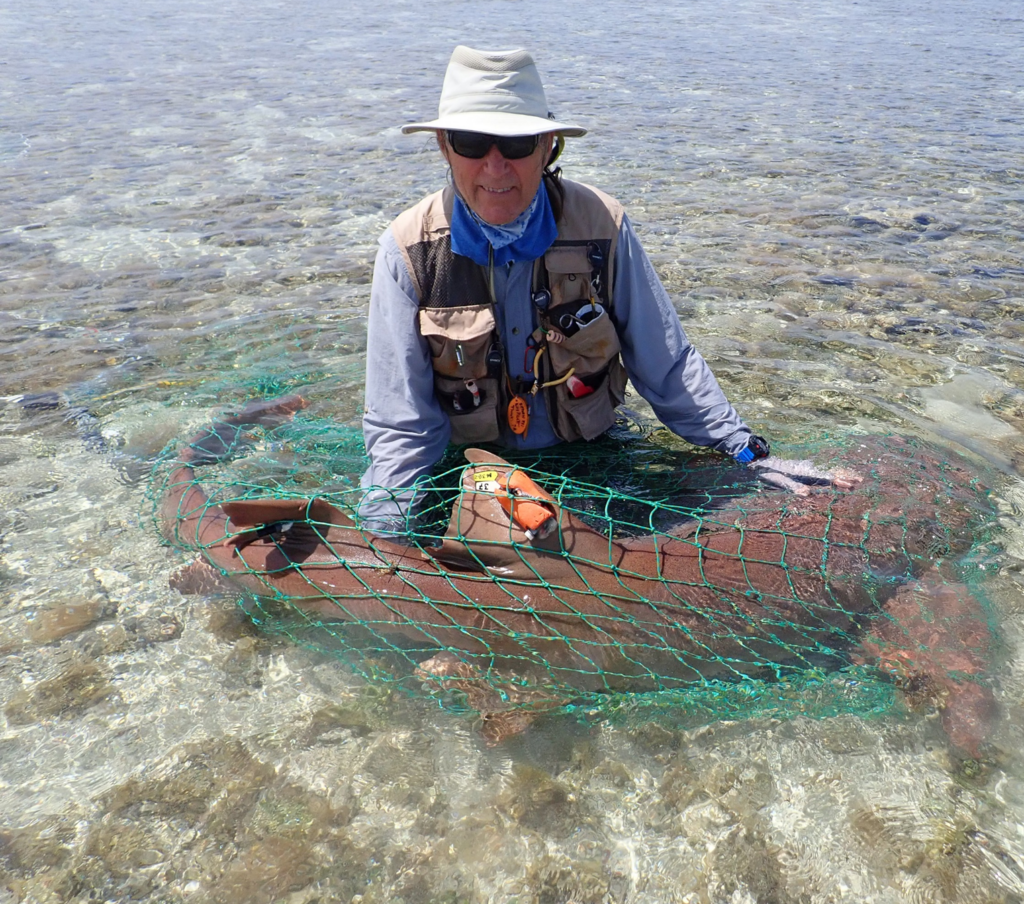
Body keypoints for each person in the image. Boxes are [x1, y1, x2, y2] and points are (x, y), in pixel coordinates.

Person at [359, 45, 776, 531]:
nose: (495, 167)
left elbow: (667, 364)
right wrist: (386, 536)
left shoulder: (603, 225)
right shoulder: (407, 250)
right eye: (473, 142)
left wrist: (746, 451)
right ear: (444, 147)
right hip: (467, 472)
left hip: (592, 456)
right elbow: (400, 425)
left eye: (515, 145)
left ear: (548, 147)